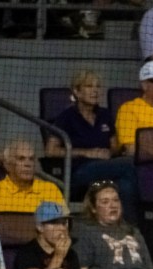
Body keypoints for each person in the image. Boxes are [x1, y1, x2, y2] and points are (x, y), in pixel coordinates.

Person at [46, 70, 138, 219]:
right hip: (79, 172)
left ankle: (125, 230)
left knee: (126, 185)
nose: (95, 91)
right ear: (77, 91)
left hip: (106, 168)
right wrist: (85, 152)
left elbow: (113, 147)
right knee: (130, 164)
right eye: (89, 86)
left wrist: (116, 150)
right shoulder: (67, 117)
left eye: (98, 87)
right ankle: (131, 227)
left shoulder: (105, 114)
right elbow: (51, 150)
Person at [74, 180, 153, 269]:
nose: (113, 205)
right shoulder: (86, 233)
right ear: (93, 208)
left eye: (116, 200)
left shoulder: (133, 231)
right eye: (105, 202)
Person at [0, 139, 66, 228]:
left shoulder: (50, 189)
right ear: (7, 165)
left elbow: (63, 225)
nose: (28, 164)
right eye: (21, 159)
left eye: (31, 159)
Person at [12, 202, 82, 269]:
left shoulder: (71, 254)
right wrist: (59, 257)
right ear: (40, 227)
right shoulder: (26, 253)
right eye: (55, 223)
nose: (62, 228)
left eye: (63, 223)